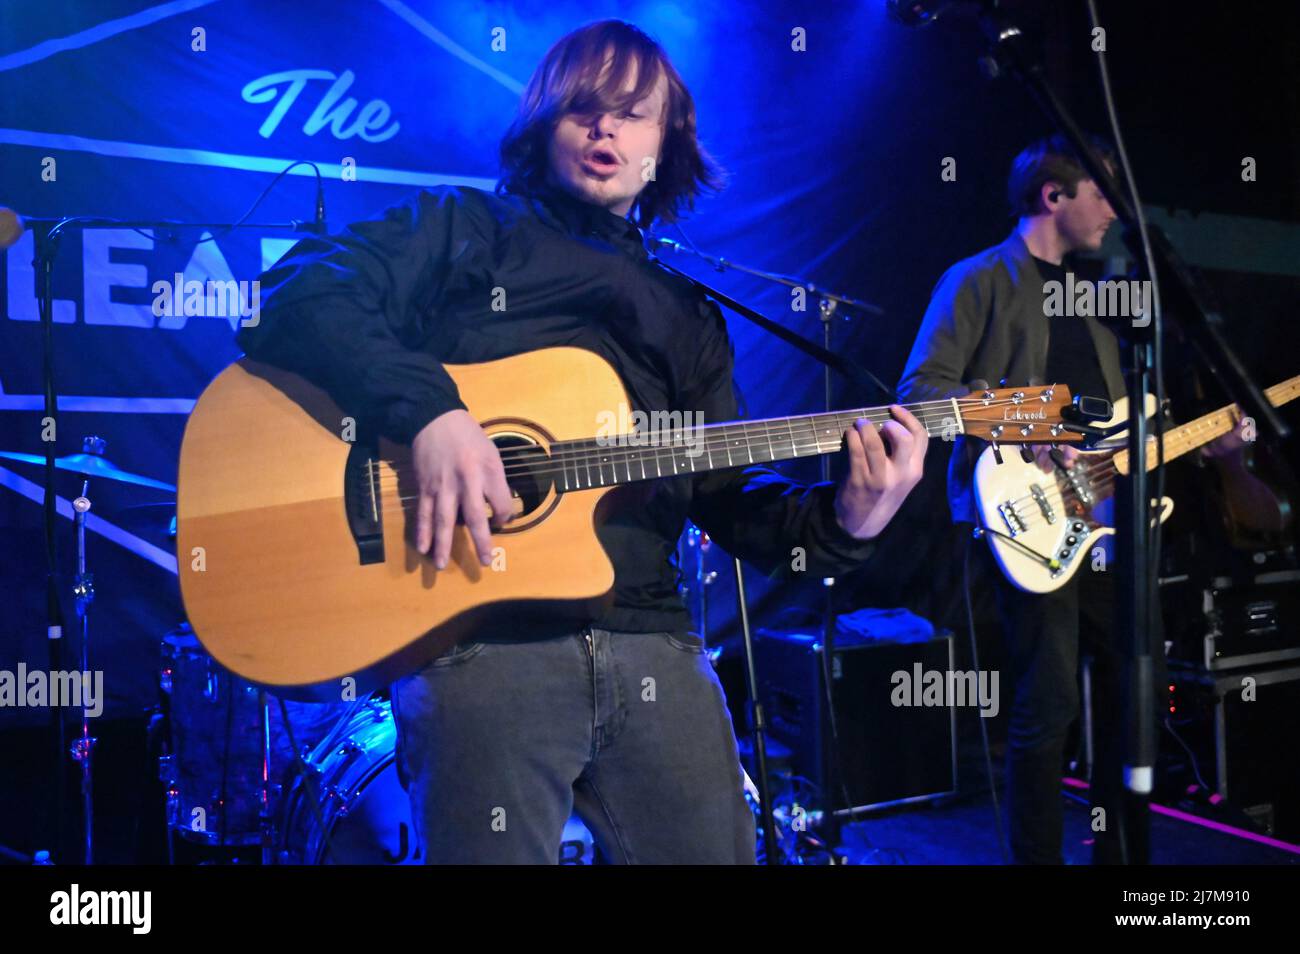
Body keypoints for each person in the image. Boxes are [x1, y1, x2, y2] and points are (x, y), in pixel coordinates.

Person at [237, 19, 927, 864]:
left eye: (633, 114)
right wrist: (431, 415)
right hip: (478, 638)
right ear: (544, 124)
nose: (606, 129)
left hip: (652, 642)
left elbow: (729, 500)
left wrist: (850, 519)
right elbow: (299, 289)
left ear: (665, 145)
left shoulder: (690, 314)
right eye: (584, 109)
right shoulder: (462, 231)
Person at [898, 135, 1151, 864]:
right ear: (1054, 196)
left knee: (1131, 696)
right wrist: (1027, 425)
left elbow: (1116, 423)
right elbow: (920, 393)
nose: (1113, 212)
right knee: (1051, 707)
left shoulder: (1097, 298)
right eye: (1101, 193)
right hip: (1027, 518)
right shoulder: (979, 279)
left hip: (1104, 523)